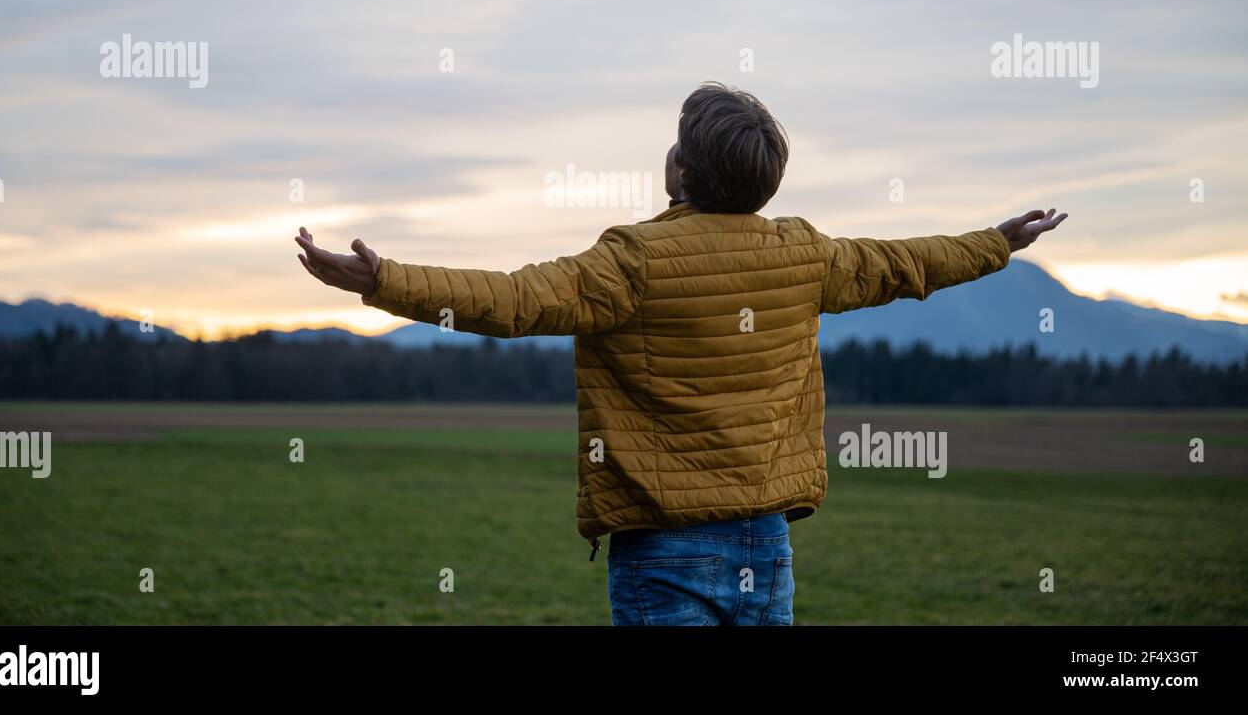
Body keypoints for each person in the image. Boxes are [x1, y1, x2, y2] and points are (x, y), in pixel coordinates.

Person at [294, 82, 1067, 625]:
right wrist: (995, 244)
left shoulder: (630, 262)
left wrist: (384, 280)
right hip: (767, 545)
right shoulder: (805, 255)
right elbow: (907, 263)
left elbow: (512, 299)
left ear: (682, 170)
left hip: (664, 545)